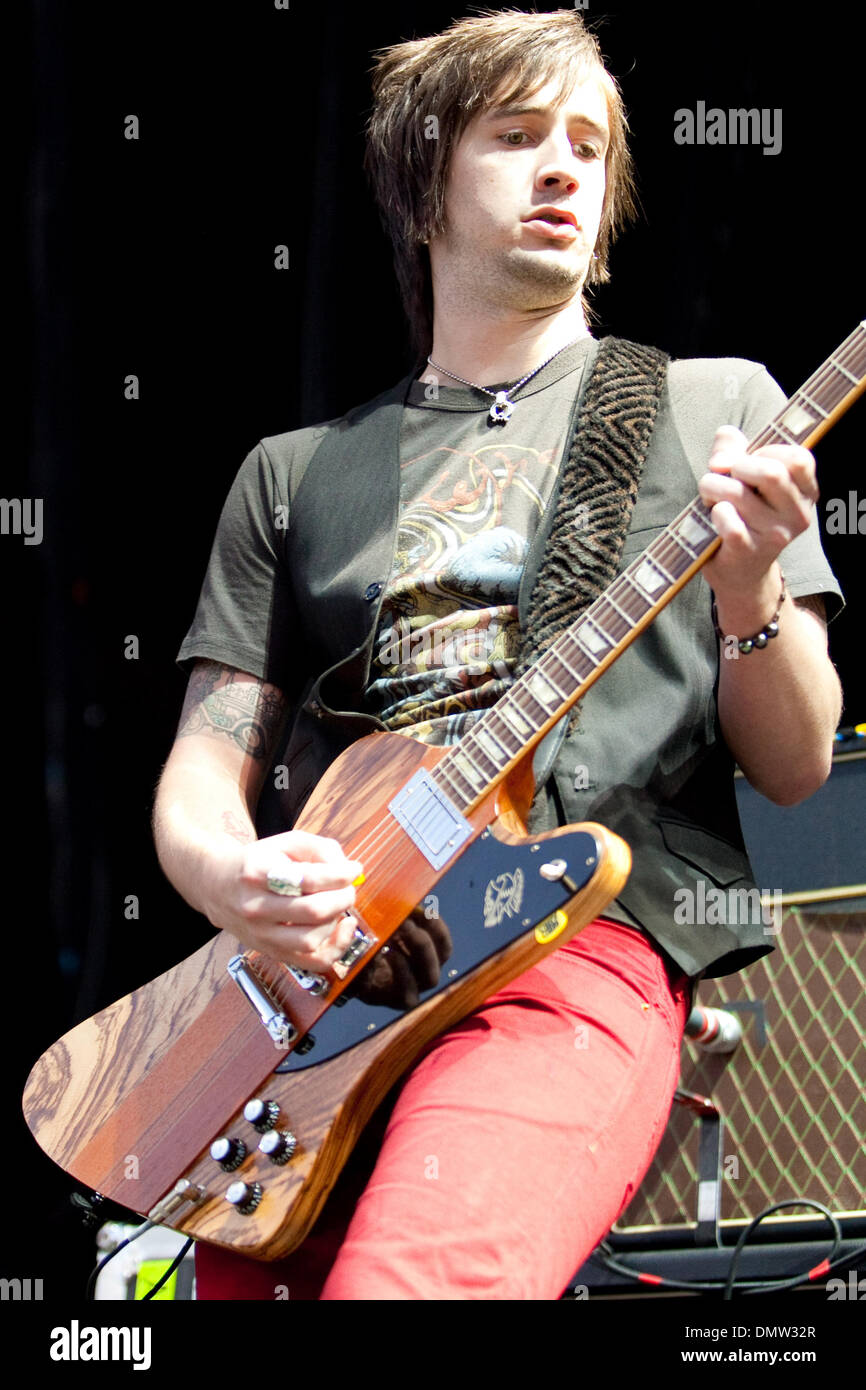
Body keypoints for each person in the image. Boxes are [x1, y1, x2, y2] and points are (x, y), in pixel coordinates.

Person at [152, 9, 843, 1300]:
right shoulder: (295, 475)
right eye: (516, 136)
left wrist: (745, 582)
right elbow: (204, 765)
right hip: (321, 990)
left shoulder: (713, 406)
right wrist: (232, 875)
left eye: (588, 143)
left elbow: (798, 761)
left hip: (571, 945)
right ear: (423, 186)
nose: (564, 168)